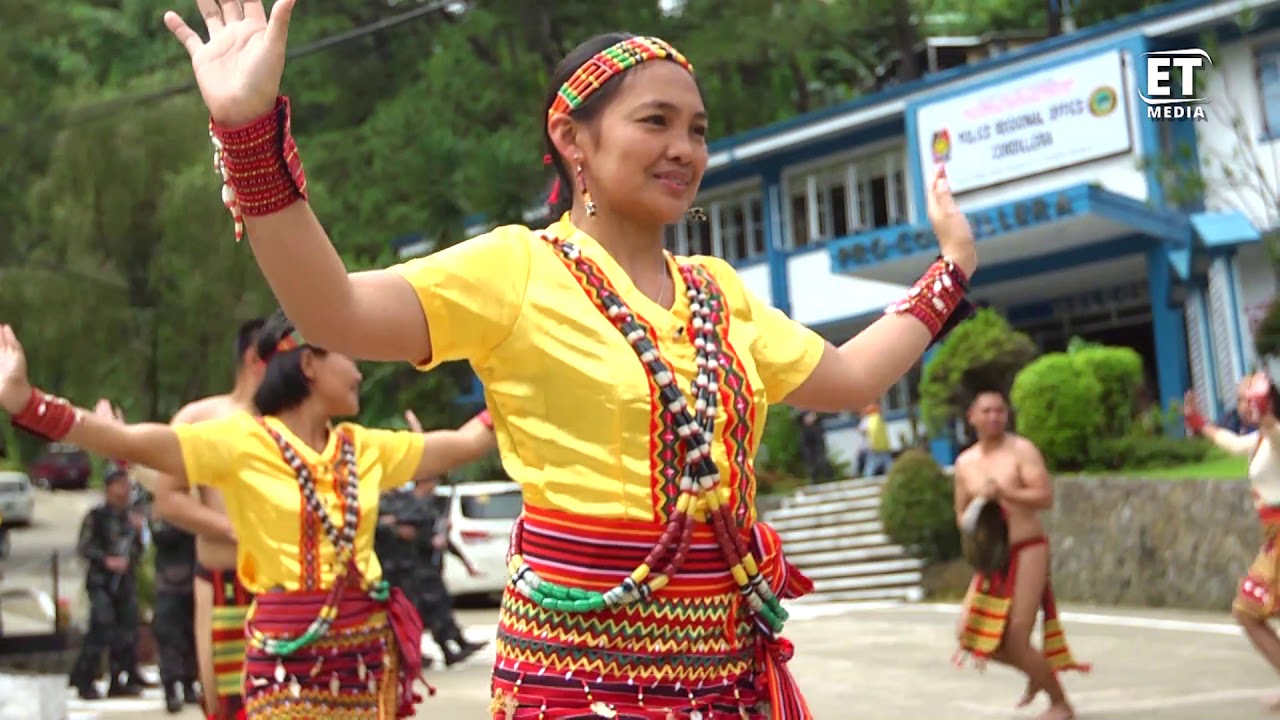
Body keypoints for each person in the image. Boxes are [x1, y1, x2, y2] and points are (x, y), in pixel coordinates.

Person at [163, 6, 978, 716]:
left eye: (696, 129)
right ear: (571, 138)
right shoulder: (516, 269)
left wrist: (950, 274)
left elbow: (852, 379)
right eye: (654, 122)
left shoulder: (716, 292)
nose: (684, 149)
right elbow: (330, 309)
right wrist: (248, 135)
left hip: (725, 677)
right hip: (575, 678)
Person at [0, 313, 495, 718]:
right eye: (348, 357)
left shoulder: (364, 448)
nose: (360, 372)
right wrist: (28, 403)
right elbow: (130, 443)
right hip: (286, 665)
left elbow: (466, 442)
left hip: (365, 664)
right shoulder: (241, 443)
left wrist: (528, 373)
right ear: (309, 365)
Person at [149, 317, 265, 720]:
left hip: (289, 583)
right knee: (226, 706)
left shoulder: (303, 421)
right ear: (255, 359)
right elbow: (168, 498)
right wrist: (233, 530)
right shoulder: (200, 418)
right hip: (224, 580)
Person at [952, 390, 1088, 720]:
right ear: (972, 417)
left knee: (1015, 637)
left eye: (1000, 411)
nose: (994, 417)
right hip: (991, 555)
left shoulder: (1021, 450)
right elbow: (961, 516)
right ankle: (1038, 674)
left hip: (1028, 548)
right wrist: (981, 506)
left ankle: (1060, 704)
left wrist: (1004, 492)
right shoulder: (965, 463)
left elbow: (1044, 497)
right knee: (968, 633)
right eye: (986, 411)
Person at [1186, 373, 1280, 711]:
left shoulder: (1275, 437)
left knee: (1246, 610)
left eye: (1245, 399)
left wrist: (1266, 416)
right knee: (1248, 611)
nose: (1240, 405)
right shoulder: (1259, 441)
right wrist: (1200, 424)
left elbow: (1274, 435)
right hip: (1274, 542)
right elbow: (1232, 442)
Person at [67, 464, 146, 700]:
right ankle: (84, 679)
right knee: (101, 627)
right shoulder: (97, 516)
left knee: (127, 629)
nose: (123, 490)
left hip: (124, 582)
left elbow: (138, 551)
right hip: (102, 582)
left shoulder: (130, 518)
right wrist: (107, 561)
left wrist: (138, 535)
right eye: (119, 484)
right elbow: (85, 547)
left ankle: (120, 677)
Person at [150, 507, 201, 713]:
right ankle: (171, 688)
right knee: (169, 638)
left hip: (193, 583)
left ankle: (190, 684)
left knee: (192, 637)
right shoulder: (163, 510)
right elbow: (161, 536)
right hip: (169, 585)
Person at [858, 404, 892, 477]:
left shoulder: (868, 420)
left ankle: (867, 478)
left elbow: (863, 430)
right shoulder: (879, 419)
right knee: (888, 463)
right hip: (884, 446)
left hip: (875, 446)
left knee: (871, 464)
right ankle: (894, 475)